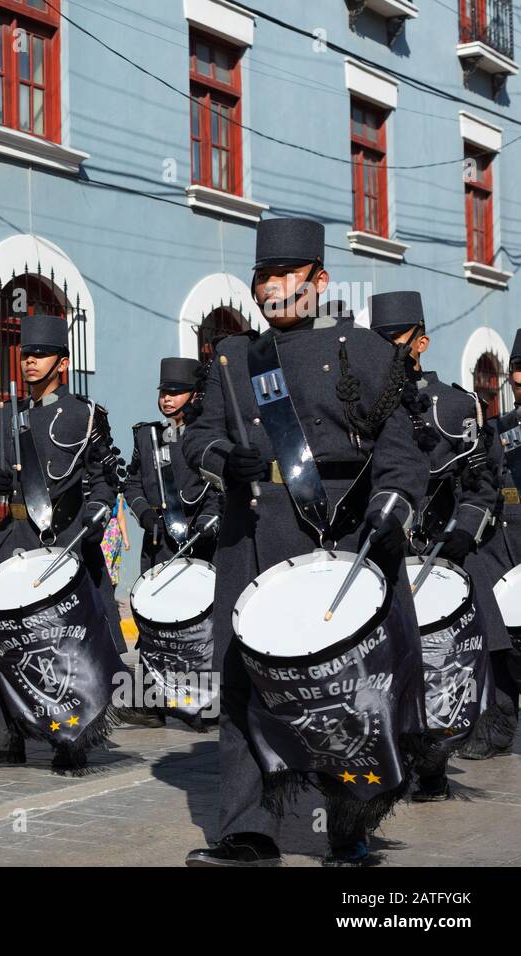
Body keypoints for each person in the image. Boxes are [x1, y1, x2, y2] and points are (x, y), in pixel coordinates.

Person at [182, 218, 426, 867]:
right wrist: (218, 459)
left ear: (319, 281)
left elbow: (402, 459)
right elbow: (195, 439)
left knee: (344, 689)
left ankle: (346, 824)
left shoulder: (368, 351)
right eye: (263, 276)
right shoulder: (235, 358)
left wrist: (386, 513)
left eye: (286, 275)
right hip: (255, 533)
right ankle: (247, 828)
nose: (271, 287)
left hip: (342, 535)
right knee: (244, 678)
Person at [0, 313, 119, 772]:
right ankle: (3, 738)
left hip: (68, 533)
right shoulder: (6, 413)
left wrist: (96, 512)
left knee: (65, 638)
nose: (29, 362)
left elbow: (105, 477)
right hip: (16, 533)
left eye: (40, 355)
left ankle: (72, 736)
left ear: (62, 362)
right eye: (25, 354)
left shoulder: (85, 414)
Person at [368, 291, 497, 800]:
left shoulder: (455, 404)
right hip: (379, 555)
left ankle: (432, 764)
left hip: (441, 557)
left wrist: (464, 533)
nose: (384, 351)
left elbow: (481, 483)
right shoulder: (357, 402)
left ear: (420, 342)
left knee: (438, 670)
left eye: (393, 341)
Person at [120, 356, 222, 728]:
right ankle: (153, 703)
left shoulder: (208, 438)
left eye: (176, 392)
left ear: (195, 396)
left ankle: (206, 703)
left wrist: (209, 522)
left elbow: (217, 487)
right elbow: (131, 482)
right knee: (153, 622)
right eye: (164, 392)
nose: (167, 399)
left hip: (200, 542)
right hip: (159, 543)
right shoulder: (145, 436)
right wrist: (145, 514)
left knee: (199, 627)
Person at [458, 331, 521, 761]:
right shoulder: (499, 429)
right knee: (500, 636)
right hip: (503, 537)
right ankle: (498, 724)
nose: (518, 378)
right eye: (516, 372)